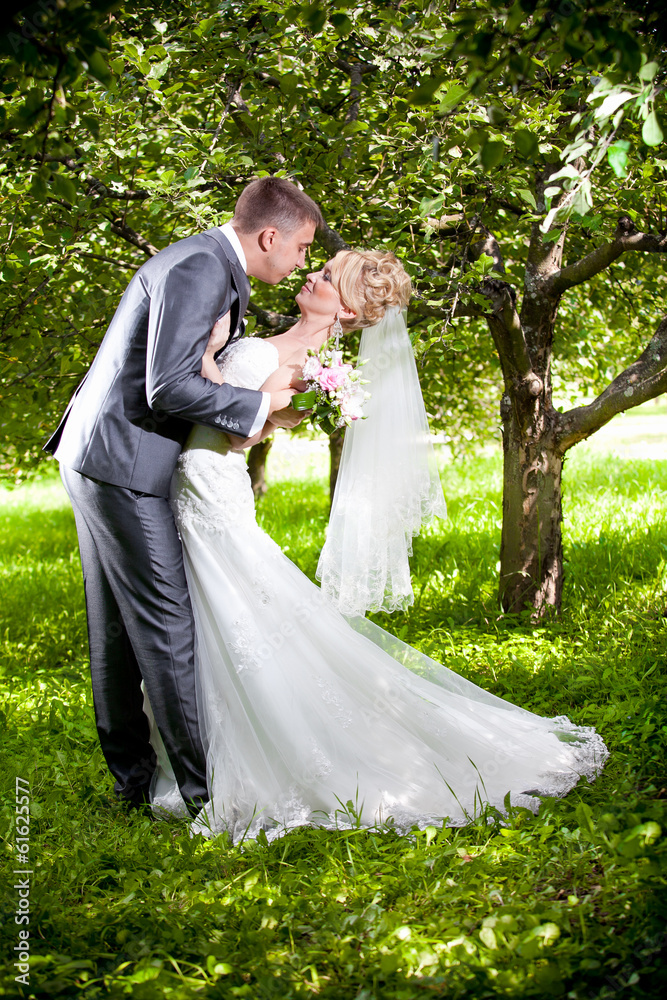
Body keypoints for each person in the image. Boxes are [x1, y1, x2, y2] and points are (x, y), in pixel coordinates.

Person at [143, 249, 609, 840]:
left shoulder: (306, 367)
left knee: (226, 616)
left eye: (324, 277)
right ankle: (195, 749)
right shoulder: (290, 350)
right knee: (214, 617)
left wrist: (208, 356)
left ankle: (230, 756)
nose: (309, 275)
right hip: (201, 488)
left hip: (209, 491)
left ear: (344, 310)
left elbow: (236, 429)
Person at [45, 177, 323, 816]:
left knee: (117, 632)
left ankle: (134, 785)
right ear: (270, 236)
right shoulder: (202, 267)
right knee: (167, 628)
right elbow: (167, 386)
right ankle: (207, 796)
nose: (303, 261)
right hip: (123, 461)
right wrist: (262, 405)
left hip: (101, 454)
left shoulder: (207, 262)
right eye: (303, 248)